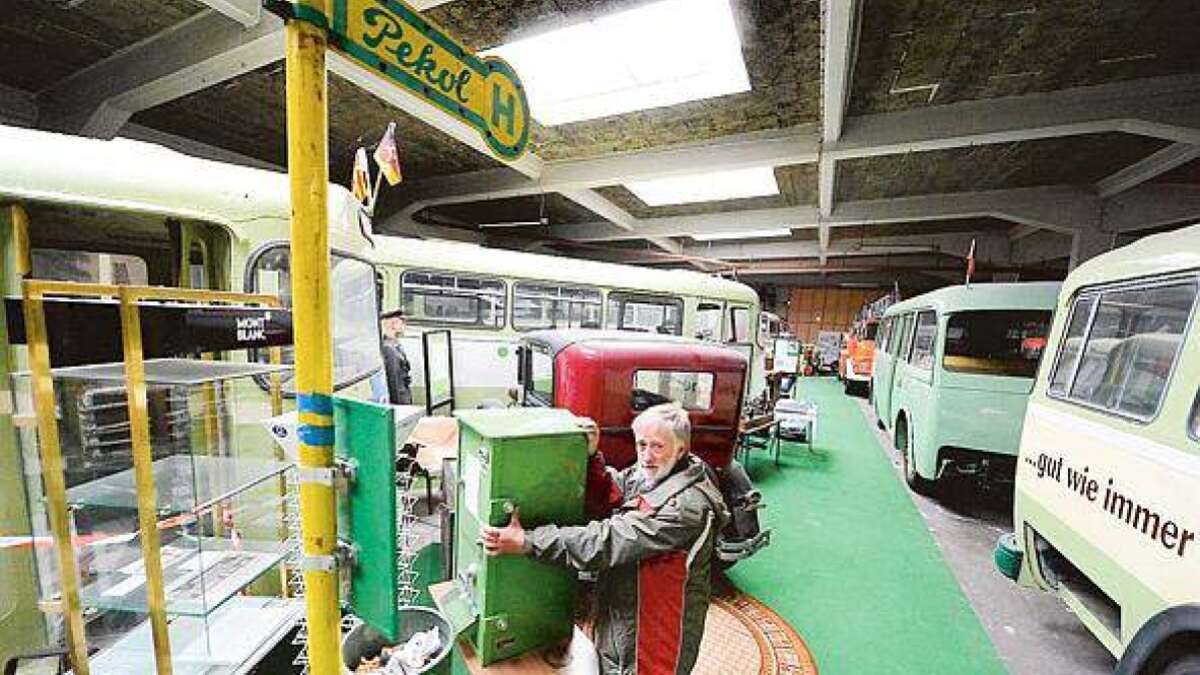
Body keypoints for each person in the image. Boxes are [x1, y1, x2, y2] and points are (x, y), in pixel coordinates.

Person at [482, 404, 729, 675]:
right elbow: (615, 491)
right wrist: (590, 455)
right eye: (641, 444)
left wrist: (528, 541)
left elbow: (607, 541)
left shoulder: (686, 507)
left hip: (658, 630)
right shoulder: (662, 472)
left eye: (657, 447)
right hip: (625, 608)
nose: (646, 456)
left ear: (681, 449)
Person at [380, 309, 412, 405]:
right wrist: (400, 405)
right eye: (402, 322)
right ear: (393, 324)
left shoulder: (395, 344)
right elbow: (394, 382)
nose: (404, 326)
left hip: (404, 394)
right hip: (400, 400)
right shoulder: (389, 349)